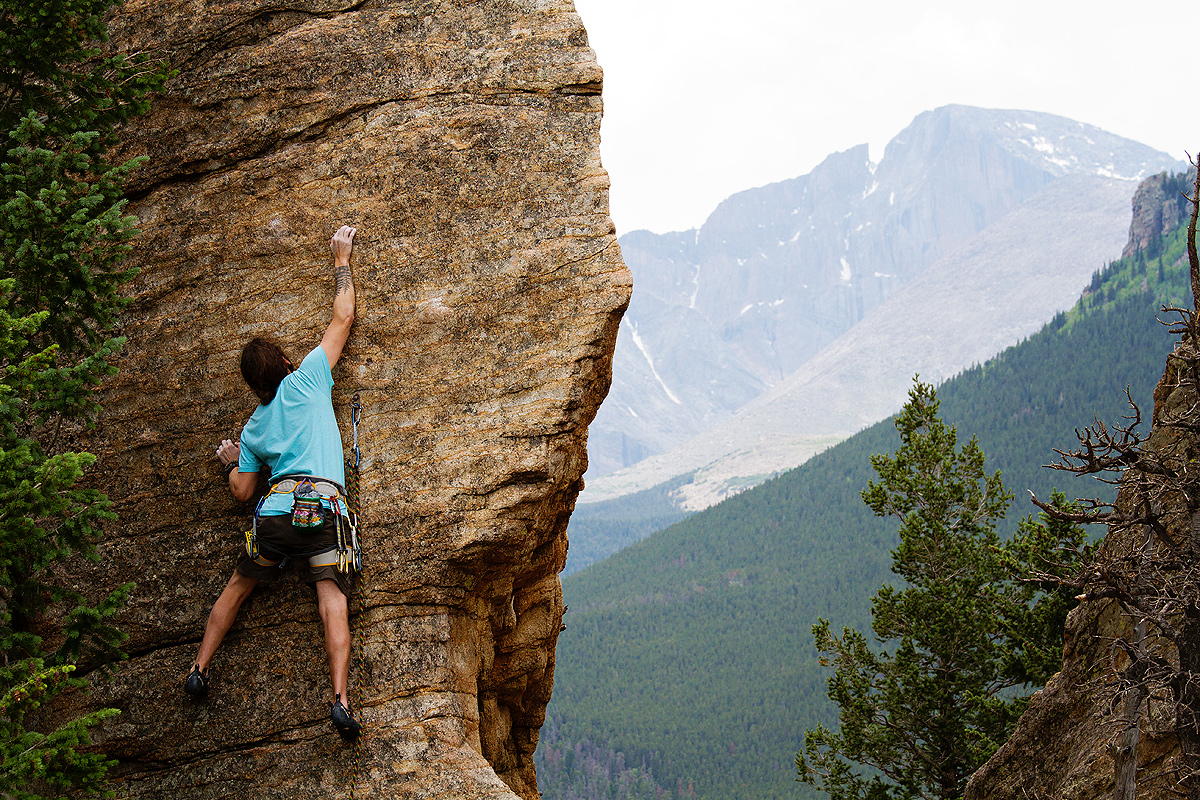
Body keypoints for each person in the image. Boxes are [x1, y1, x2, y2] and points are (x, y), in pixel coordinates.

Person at [184, 225, 362, 740]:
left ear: (254, 386)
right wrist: (341, 259)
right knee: (331, 595)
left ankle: (199, 669)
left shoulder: (255, 426)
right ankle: (340, 701)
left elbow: (243, 491)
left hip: (275, 512)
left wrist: (232, 461)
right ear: (284, 364)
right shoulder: (308, 376)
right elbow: (344, 316)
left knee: (239, 586)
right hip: (321, 509)